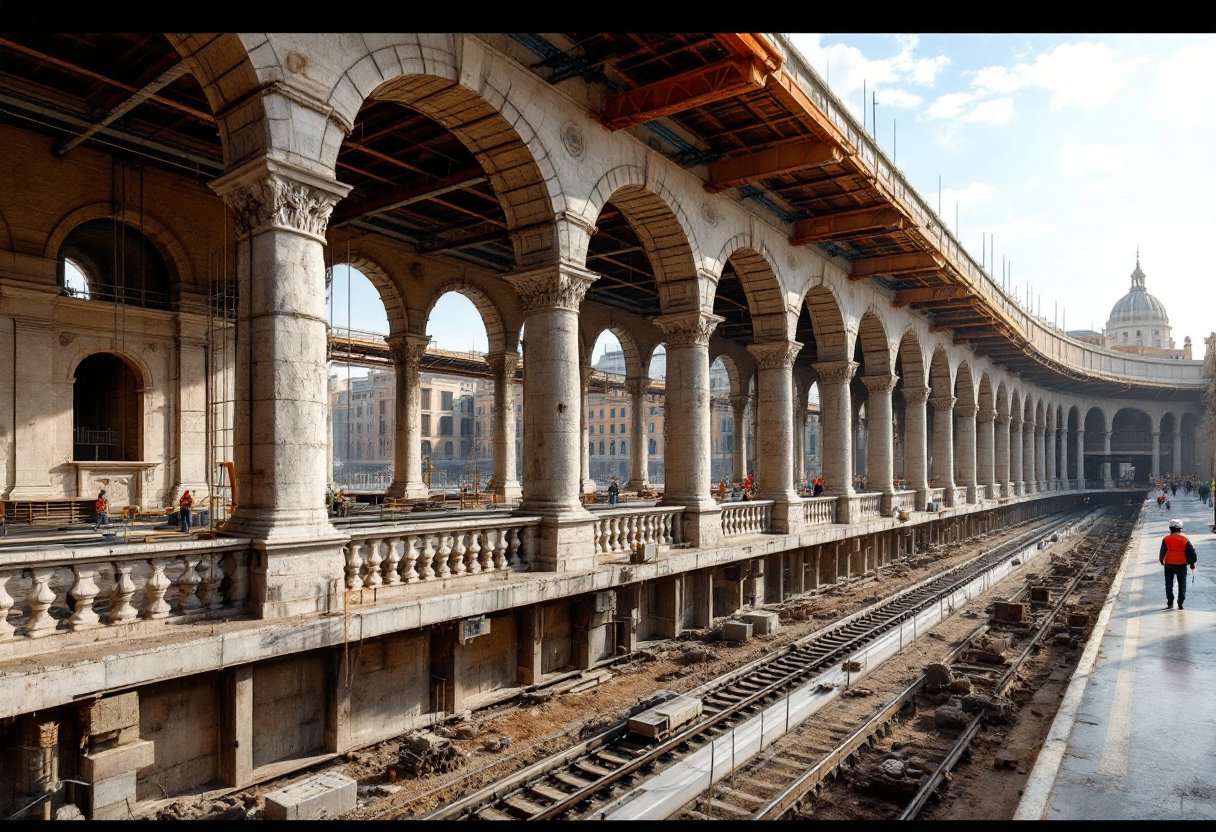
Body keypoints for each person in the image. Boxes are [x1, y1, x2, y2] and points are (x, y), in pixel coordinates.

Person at [1160, 519, 1197, 609]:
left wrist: (1162, 561)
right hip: (1181, 565)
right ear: (1180, 529)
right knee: (1182, 584)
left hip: (1169, 564)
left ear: (1170, 528)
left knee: (1169, 584)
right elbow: (1191, 552)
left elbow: (1162, 553)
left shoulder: (1166, 539)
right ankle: (1180, 602)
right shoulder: (1185, 539)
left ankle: (1170, 601)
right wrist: (1192, 563)